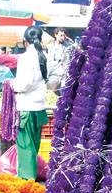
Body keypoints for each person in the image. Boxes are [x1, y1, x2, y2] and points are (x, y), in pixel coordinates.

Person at [10, 26, 48, 181]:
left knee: (26, 148)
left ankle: (26, 181)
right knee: (34, 146)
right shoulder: (44, 56)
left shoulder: (26, 58)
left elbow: (24, 84)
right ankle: (30, 179)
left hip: (26, 108)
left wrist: (13, 85)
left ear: (25, 40)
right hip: (39, 108)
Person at [46, 27, 73, 93]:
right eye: (61, 35)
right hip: (52, 76)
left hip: (62, 76)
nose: (63, 37)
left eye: (64, 36)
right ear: (55, 35)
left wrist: (69, 40)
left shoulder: (66, 47)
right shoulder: (49, 47)